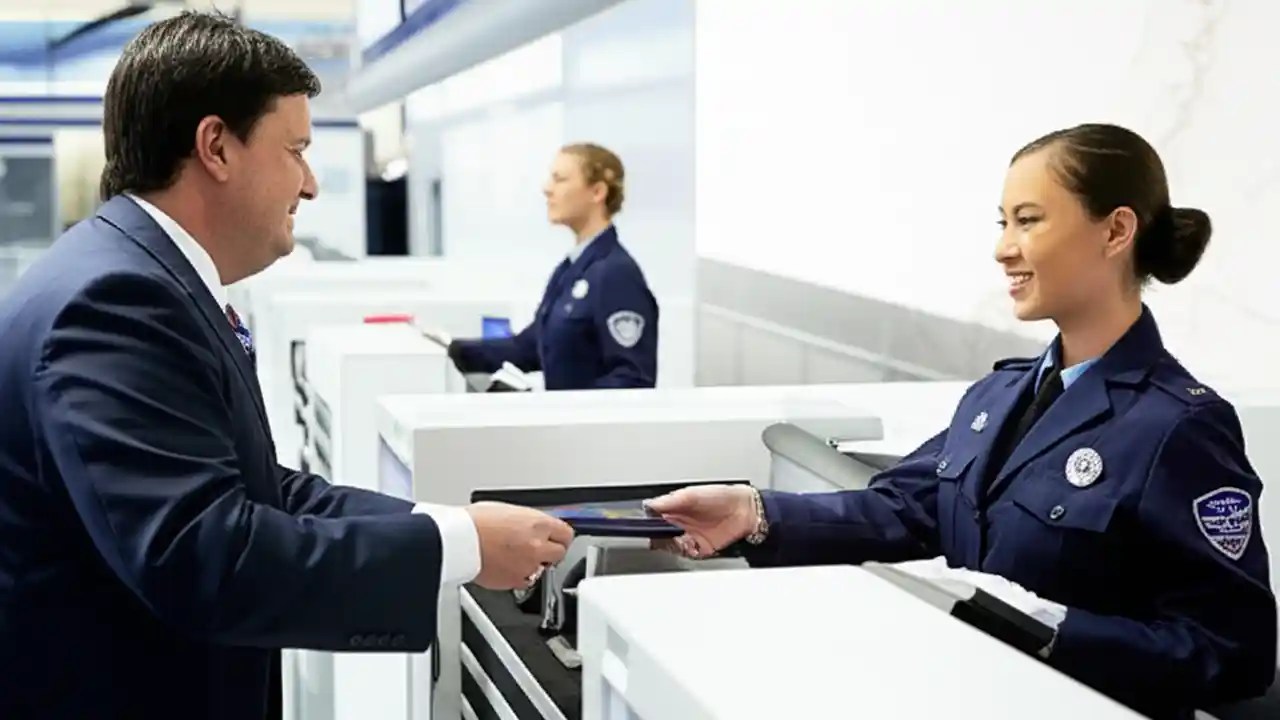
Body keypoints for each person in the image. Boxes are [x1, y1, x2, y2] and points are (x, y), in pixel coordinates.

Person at [0, 12, 573, 719]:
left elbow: (255, 489)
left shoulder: (137, 277)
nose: (309, 185)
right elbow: (206, 557)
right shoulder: (116, 302)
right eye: (295, 149)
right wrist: (457, 545)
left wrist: (452, 524)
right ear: (216, 147)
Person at [645, 124, 1276, 719]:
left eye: (1028, 221)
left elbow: (1235, 653)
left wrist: (1052, 630)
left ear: (1115, 232)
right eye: (1004, 223)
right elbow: (906, 511)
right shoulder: (995, 397)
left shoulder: (1180, 424)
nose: (1004, 249)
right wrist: (754, 514)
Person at [444, 143, 660, 389]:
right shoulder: (571, 270)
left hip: (583, 426)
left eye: (560, 179)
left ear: (597, 192)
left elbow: (632, 379)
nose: (547, 189)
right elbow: (528, 348)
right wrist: (452, 350)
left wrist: (564, 410)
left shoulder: (615, 274)